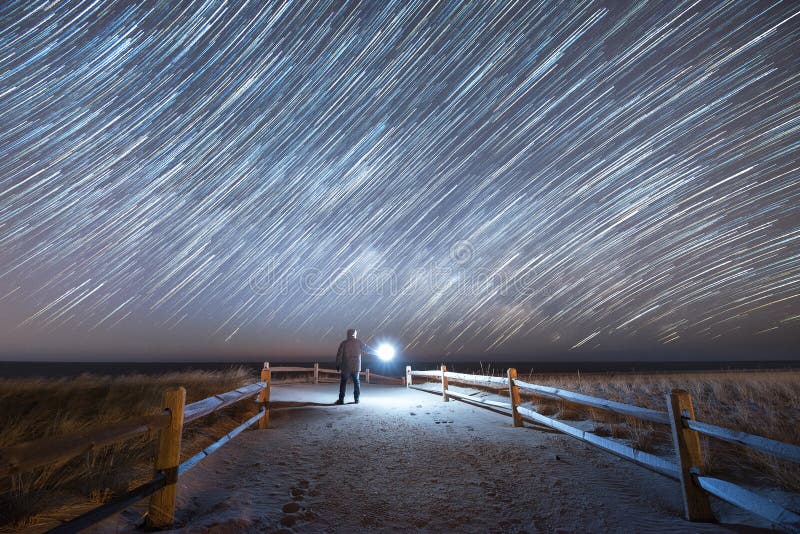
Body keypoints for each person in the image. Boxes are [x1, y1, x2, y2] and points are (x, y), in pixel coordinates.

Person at [335, 328, 369, 404]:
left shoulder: (344, 343)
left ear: (348, 334)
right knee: (357, 382)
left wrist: (337, 365)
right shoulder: (358, 342)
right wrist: (378, 352)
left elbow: (339, 355)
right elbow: (367, 349)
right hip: (356, 367)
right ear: (355, 334)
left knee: (343, 383)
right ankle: (356, 399)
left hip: (346, 367)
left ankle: (341, 400)